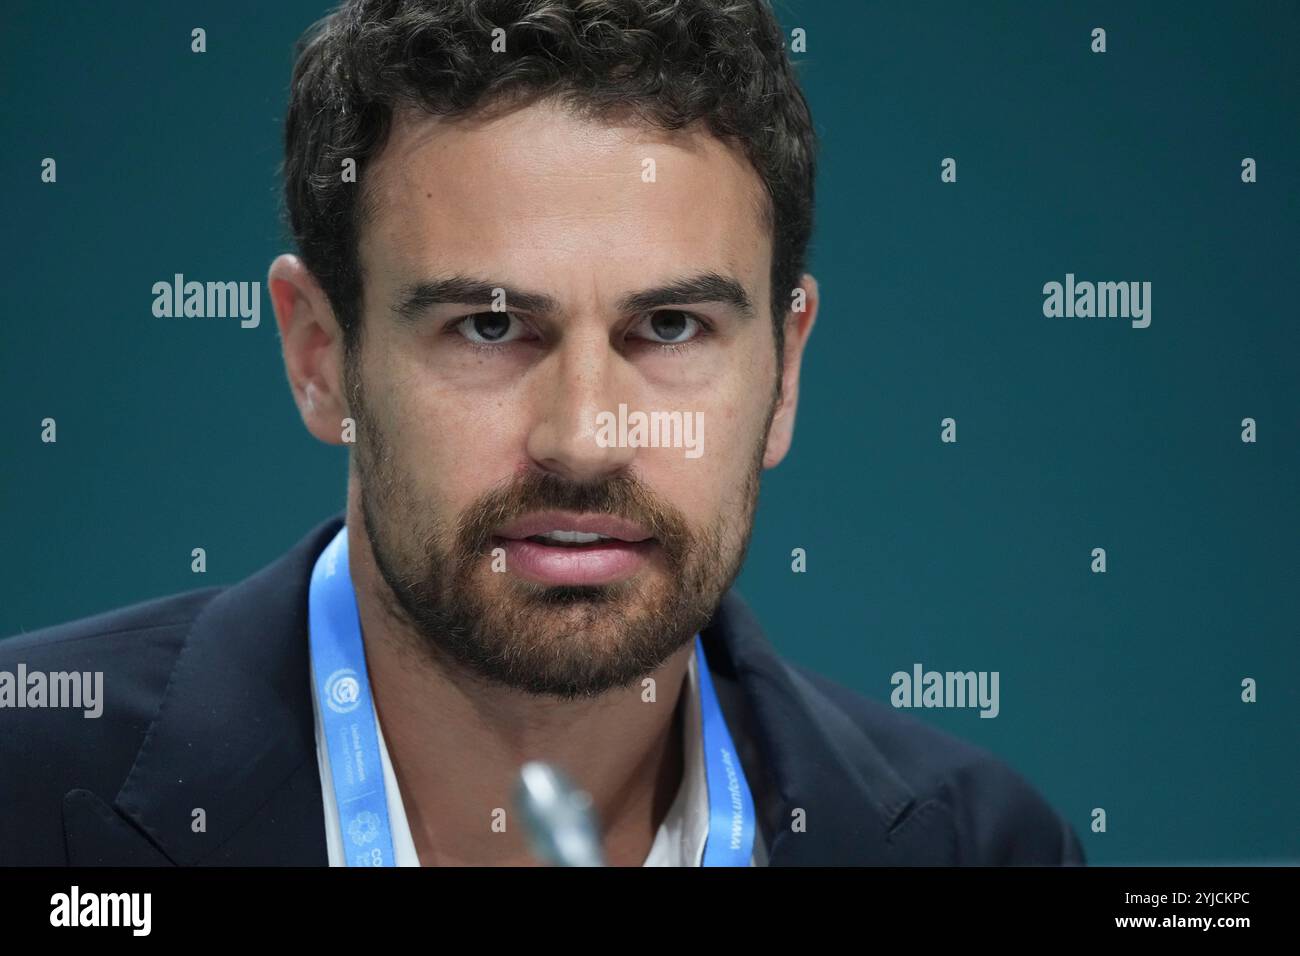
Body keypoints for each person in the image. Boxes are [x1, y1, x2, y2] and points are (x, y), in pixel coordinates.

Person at [0, 0, 1083, 867]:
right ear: (320, 356)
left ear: (785, 369)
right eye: (490, 325)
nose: (582, 436)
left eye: (667, 326)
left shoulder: (985, 847)